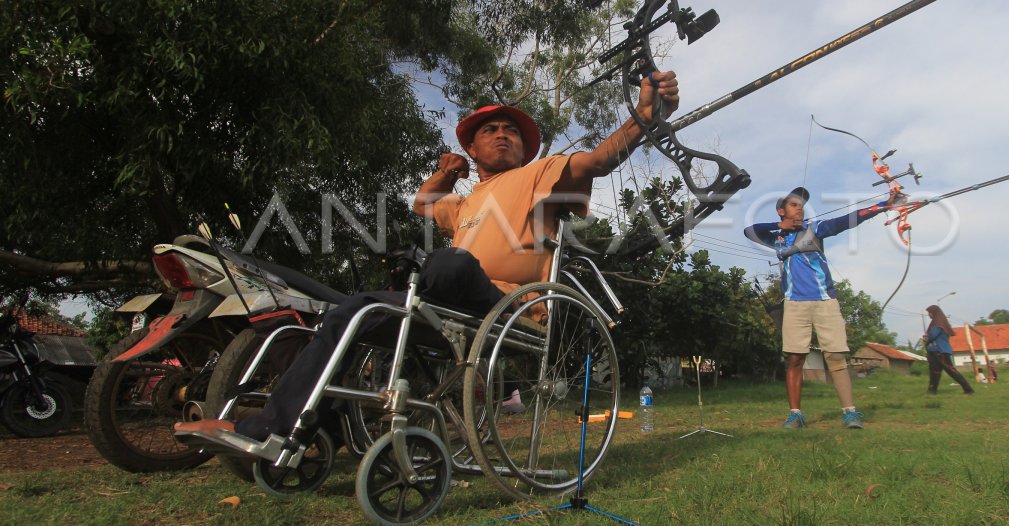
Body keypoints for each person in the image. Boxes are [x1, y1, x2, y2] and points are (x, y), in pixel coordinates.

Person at [175, 71, 681, 441]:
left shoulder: (542, 174)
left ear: (525, 150)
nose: (502, 134)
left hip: (508, 309)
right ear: (474, 150)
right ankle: (277, 430)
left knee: (449, 263)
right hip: (445, 307)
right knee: (351, 311)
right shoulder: (465, 203)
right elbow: (423, 204)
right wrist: (445, 173)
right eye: (490, 130)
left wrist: (644, 115)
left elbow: (600, 159)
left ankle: (412, 307)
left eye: (511, 131)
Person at [744, 185, 904, 429]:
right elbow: (749, 231)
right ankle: (795, 414)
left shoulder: (815, 228)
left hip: (824, 300)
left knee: (836, 355)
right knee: (795, 358)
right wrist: (783, 228)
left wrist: (884, 205)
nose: (799, 209)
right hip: (795, 303)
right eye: (794, 205)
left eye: (801, 206)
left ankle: (850, 412)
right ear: (781, 211)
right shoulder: (776, 236)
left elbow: (849, 220)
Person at [923, 305, 974, 395]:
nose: (928, 315)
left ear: (934, 313)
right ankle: (931, 391)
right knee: (935, 372)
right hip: (937, 351)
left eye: (929, 313)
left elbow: (933, 335)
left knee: (951, 371)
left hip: (939, 351)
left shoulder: (937, 323)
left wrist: (926, 339)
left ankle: (968, 389)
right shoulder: (941, 322)